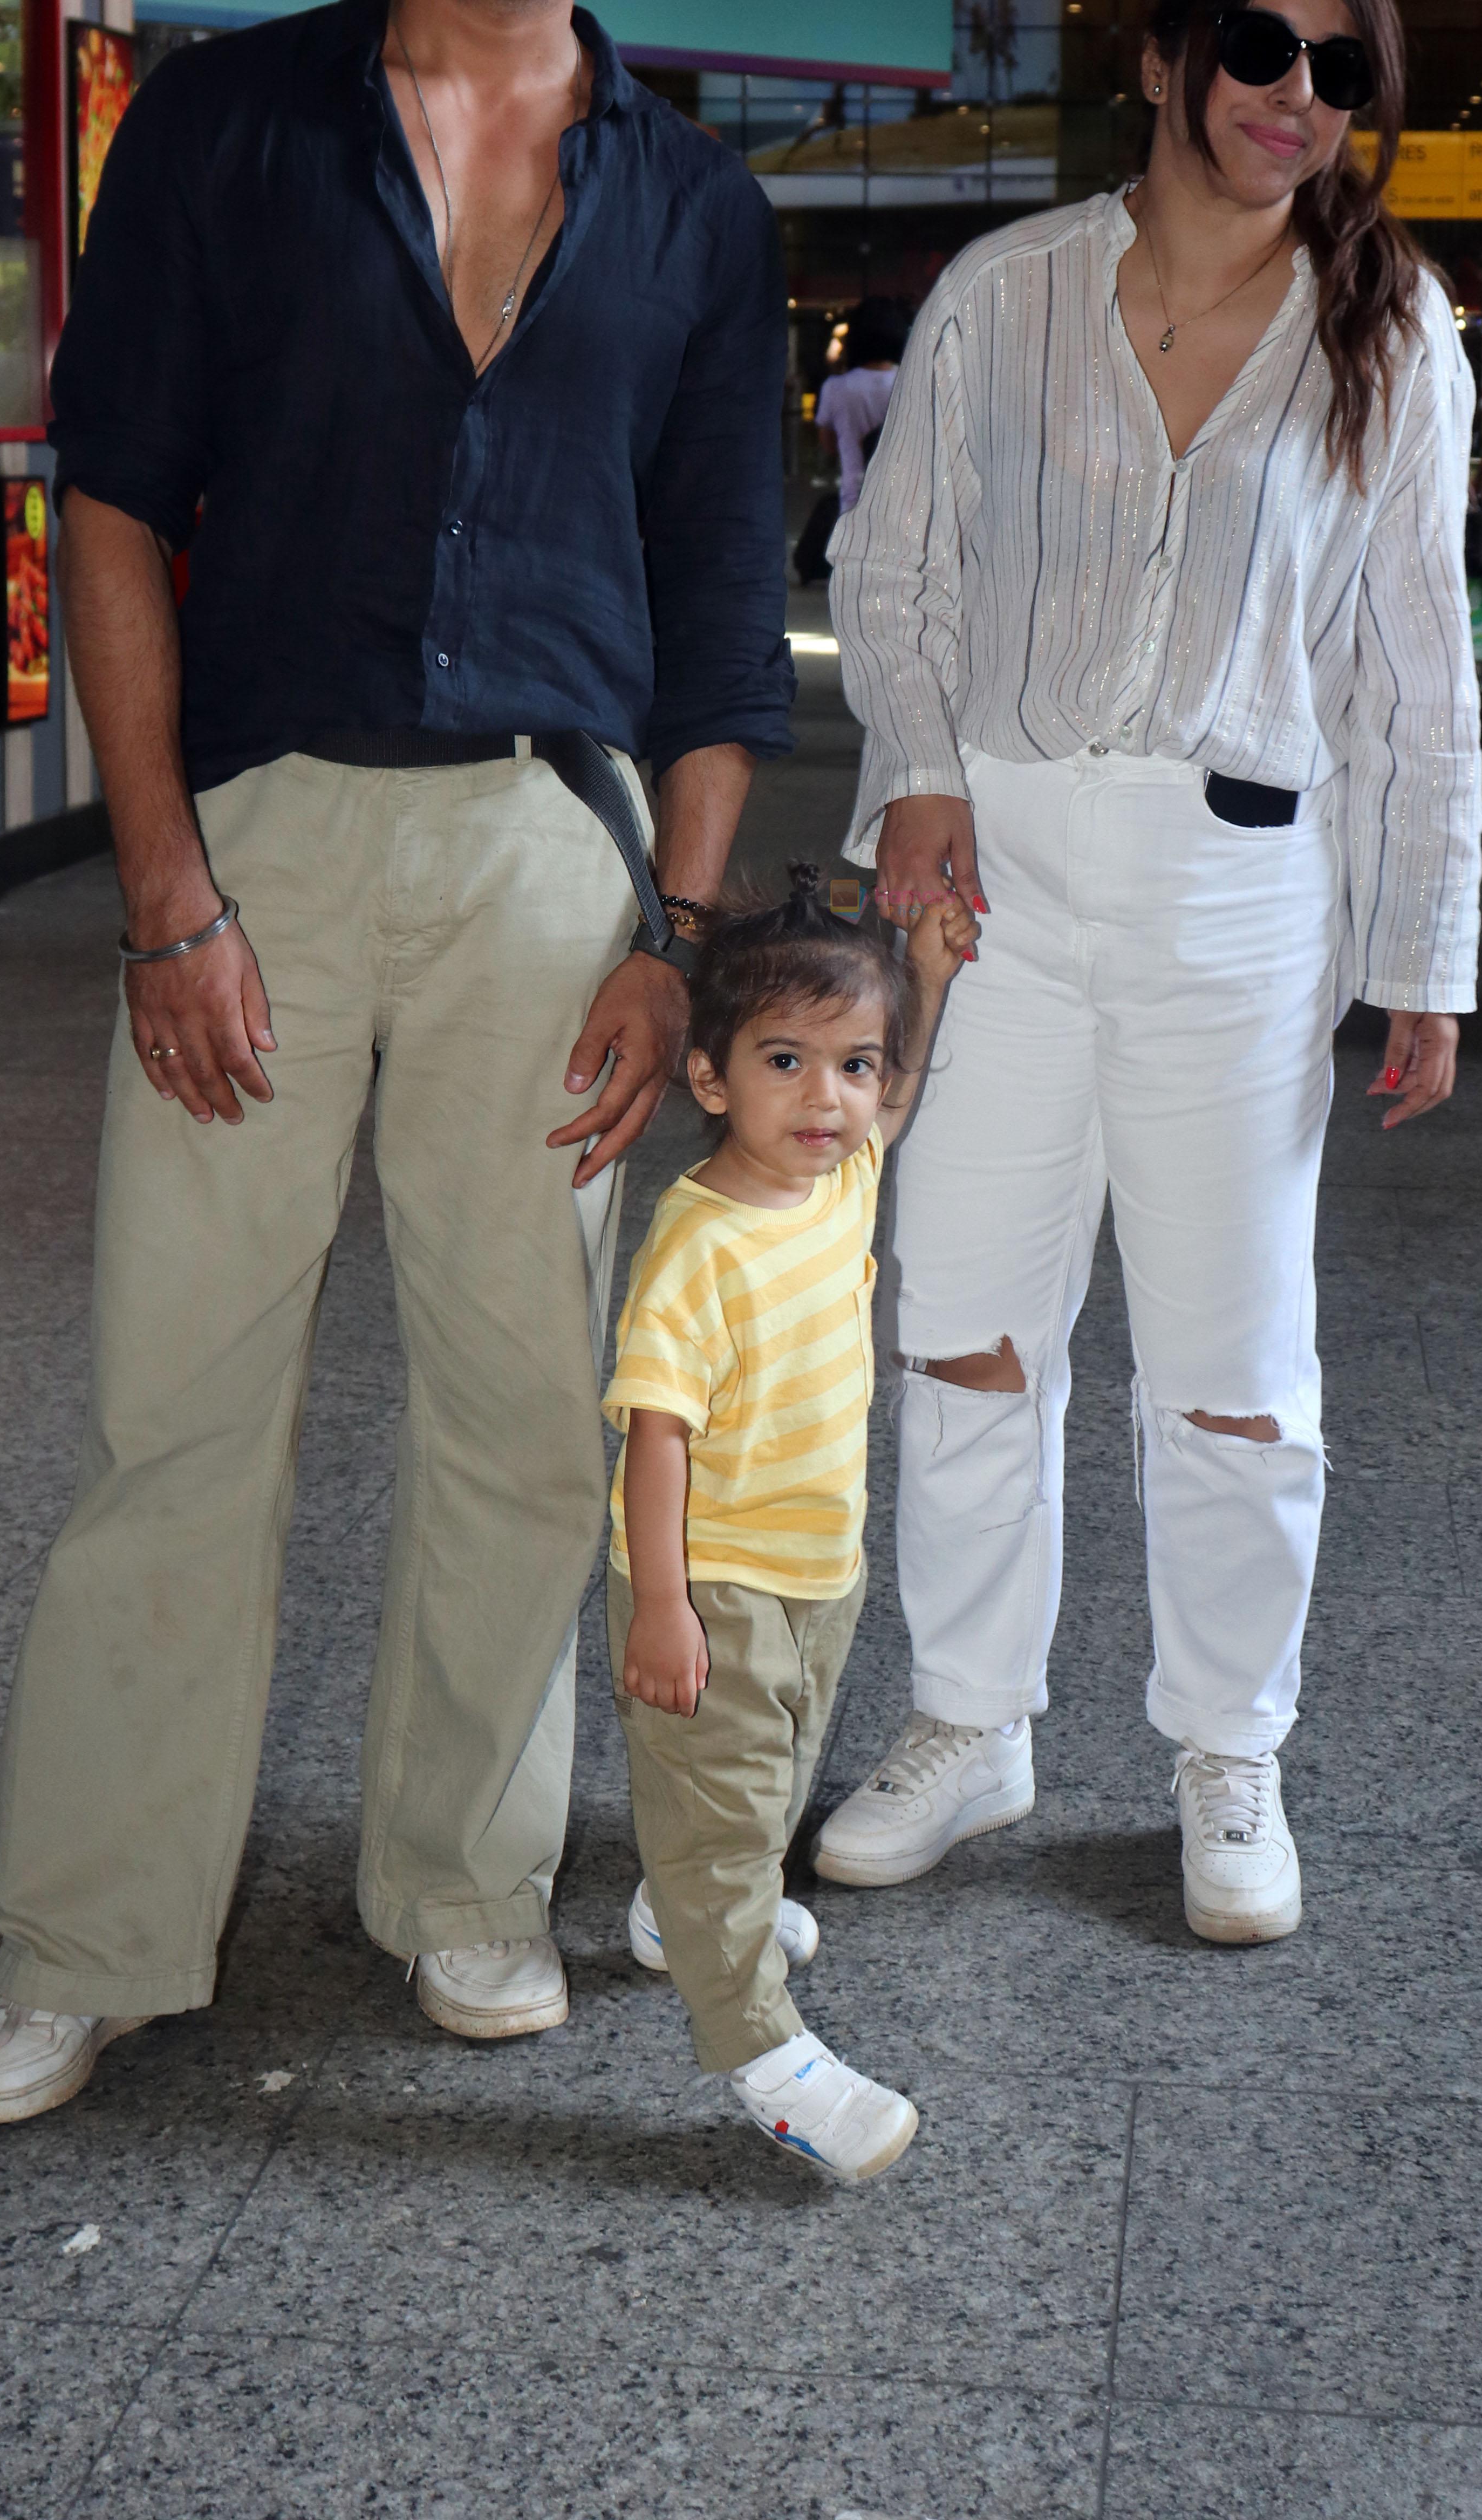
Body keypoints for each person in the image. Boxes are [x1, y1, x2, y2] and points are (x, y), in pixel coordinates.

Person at [0, 0, 794, 2128]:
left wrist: (672, 936)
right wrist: (164, 893)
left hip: (551, 853)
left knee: (523, 1412)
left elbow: (721, 617)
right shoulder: (224, 129)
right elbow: (109, 510)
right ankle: (86, 1931)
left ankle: (464, 1884)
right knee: (176, 1402)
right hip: (265, 841)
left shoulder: (691, 205)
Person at [810, 0, 1480, 1945]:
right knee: (962, 1320)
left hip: (1238, 895)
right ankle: (968, 1718)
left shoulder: (1391, 332)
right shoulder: (1003, 293)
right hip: (990, 881)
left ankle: (1225, 1749)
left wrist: (1421, 950)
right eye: (1262, 50)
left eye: (1339, 72)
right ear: (1167, 58)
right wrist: (921, 771)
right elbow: (892, 569)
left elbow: (1413, 670)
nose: (1297, 99)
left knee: (1232, 1357)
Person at [605, 865, 974, 2182]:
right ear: (710, 1078)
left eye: (853, 1066)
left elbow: (899, 1097)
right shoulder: (696, 1246)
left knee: (767, 1780)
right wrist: (663, 1605)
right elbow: (656, 1435)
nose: (829, 1098)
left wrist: (923, 975)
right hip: (713, 1579)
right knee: (732, 1797)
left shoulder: (839, 1174)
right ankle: (765, 2057)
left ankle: (682, 1910)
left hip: (820, 1564)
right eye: (785, 1062)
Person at [818, 295, 908, 513]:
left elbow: (829, 445)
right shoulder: (910, 383)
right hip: (903, 503)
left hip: (855, 504)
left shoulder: (835, 388)